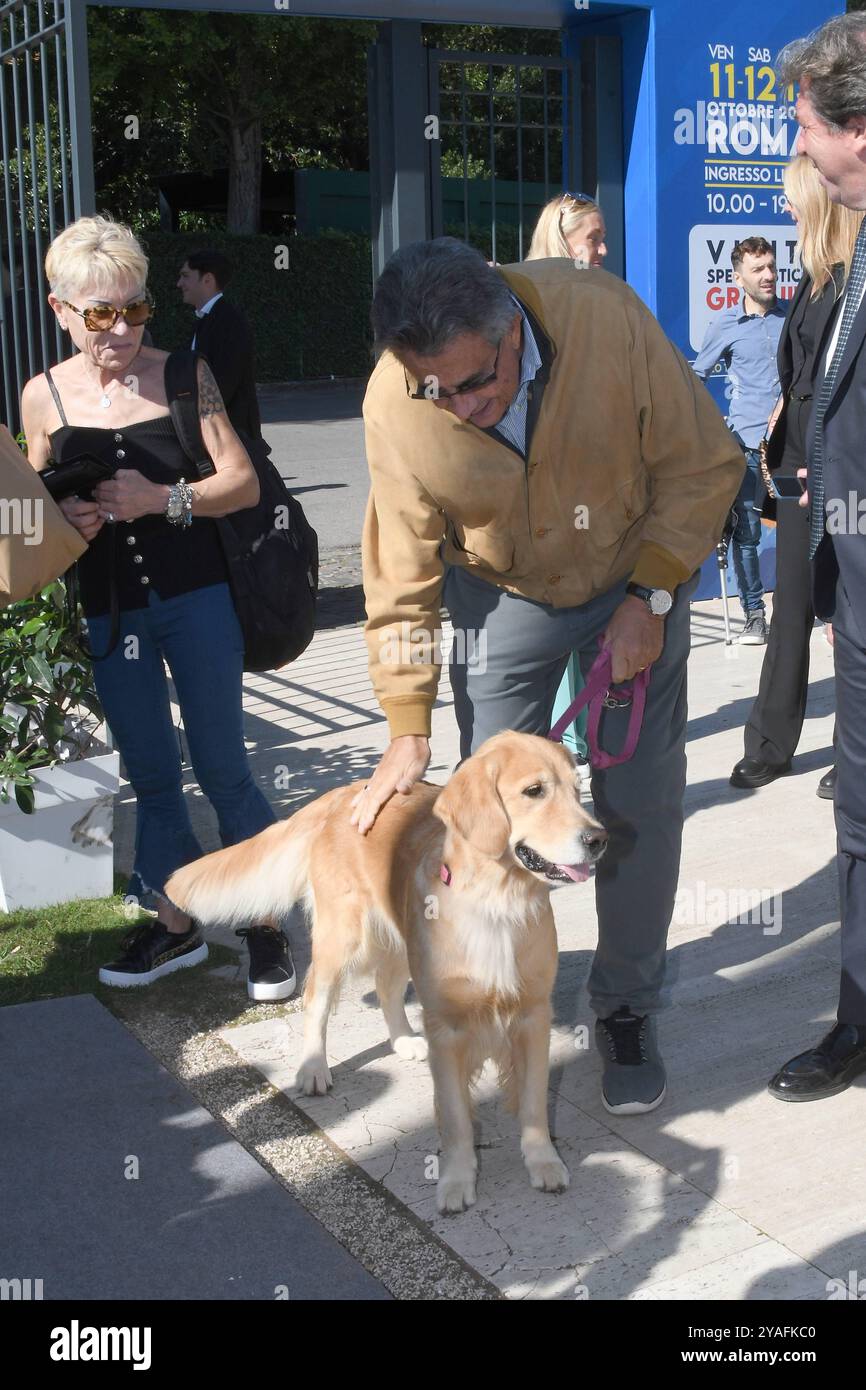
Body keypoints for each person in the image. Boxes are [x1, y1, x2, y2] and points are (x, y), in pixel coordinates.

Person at [353, 237, 743, 1115]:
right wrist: (406, 722)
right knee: (493, 817)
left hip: (632, 569)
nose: (460, 408)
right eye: (435, 391)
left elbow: (703, 464)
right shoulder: (397, 397)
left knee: (636, 804)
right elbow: (401, 571)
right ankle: (500, 990)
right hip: (502, 592)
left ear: (510, 325)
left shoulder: (604, 316)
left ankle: (628, 1007)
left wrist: (653, 592)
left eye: (475, 383)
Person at [20, 215, 294, 1001]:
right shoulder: (43, 396)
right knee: (150, 773)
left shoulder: (183, 375)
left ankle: (265, 922)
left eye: (135, 309)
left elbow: (241, 481)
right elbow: (32, 510)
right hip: (113, 611)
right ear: (61, 309)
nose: (120, 330)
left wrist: (161, 498)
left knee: (224, 769)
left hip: (198, 599)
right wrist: (57, 521)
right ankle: (175, 930)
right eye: (100, 313)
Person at [768, 13, 866, 1101]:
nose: (796, 146)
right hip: (857, 611)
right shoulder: (845, 261)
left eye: (803, 126)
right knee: (858, 825)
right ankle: (855, 1015)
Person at [730, 156, 861, 795]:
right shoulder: (812, 283)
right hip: (795, 470)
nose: (784, 209)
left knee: (850, 612)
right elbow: (799, 380)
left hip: (841, 473)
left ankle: (854, 752)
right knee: (791, 612)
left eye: (790, 198)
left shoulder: (851, 283)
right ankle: (770, 744)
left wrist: (826, 462)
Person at [692, 238, 788, 644]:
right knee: (748, 534)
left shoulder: (794, 316)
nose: (767, 275)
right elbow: (696, 379)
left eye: (770, 266)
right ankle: (754, 616)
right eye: (757, 269)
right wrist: (711, 432)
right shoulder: (724, 324)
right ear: (738, 277)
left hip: (792, 444)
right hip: (746, 446)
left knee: (807, 529)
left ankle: (819, 611)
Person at [177, 249, 262, 441]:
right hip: (218, 431)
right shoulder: (207, 320)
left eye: (185, 276)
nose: (179, 283)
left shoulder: (230, 322)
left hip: (230, 434)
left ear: (207, 279)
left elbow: (224, 383)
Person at [525, 190, 608, 267]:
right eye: (594, 239)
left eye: (602, 239)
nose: (603, 251)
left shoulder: (605, 282)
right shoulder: (521, 282)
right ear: (560, 239)